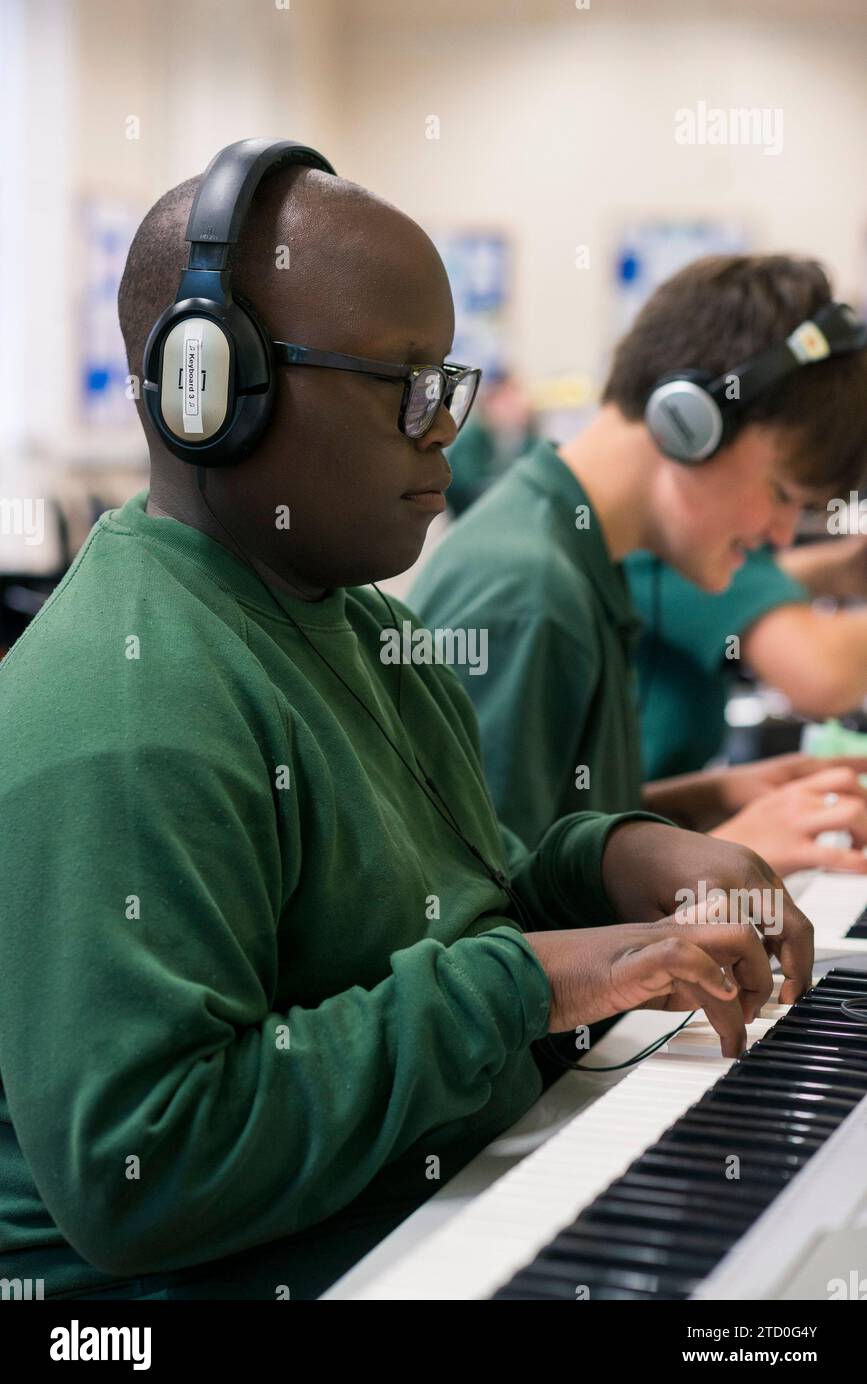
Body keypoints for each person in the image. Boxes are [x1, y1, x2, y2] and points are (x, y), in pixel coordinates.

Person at [0, 150, 798, 1302]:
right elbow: (142, 1165)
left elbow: (454, 899)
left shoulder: (356, 624)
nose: (448, 432)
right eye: (406, 386)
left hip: (415, 1217)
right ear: (211, 390)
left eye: (452, 383)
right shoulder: (129, 713)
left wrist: (618, 858)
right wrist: (523, 985)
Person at [410, 255, 867, 877]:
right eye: (783, 493)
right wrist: (724, 853)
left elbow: (543, 839)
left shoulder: (579, 553)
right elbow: (474, 912)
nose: (783, 534)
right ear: (688, 422)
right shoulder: (529, 592)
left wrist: (713, 800)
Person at [628, 535, 867, 781]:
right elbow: (822, 675)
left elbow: (739, 583)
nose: (782, 531)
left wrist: (846, 570)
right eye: (781, 497)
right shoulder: (668, 546)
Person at [445, 370, 538, 515]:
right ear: (488, 404)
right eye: (505, 400)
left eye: (515, 396)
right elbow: (463, 487)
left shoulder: (531, 441)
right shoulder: (469, 442)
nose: (514, 406)